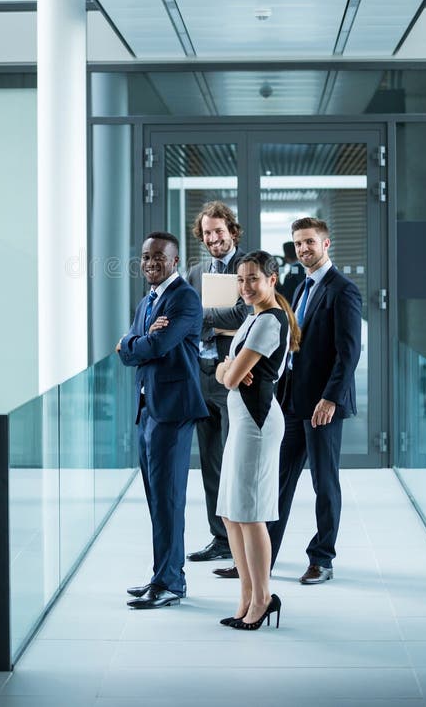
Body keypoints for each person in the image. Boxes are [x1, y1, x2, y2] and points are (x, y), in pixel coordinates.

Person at [268, 217, 362, 584]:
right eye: (298, 243)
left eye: (310, 242)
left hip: (324, 404)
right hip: (293, 400)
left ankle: (322, 558)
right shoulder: (298, 286)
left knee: (324, 483)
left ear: (326, 244)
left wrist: (330, 399)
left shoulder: (343, 290)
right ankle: (265, 556)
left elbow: (349, 353)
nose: (303, 248)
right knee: (278, 481)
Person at [117, 232, 208, 609]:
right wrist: (134, 343)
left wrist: (131, 342)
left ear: (175, 261)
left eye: (159, 257)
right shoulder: (148, 301)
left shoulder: (184, 298)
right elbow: (131, 350)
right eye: (145, 257)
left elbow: (150, 346)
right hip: (149, 410)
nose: (150, 262)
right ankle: (162, 576)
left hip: (173, 410)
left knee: (168, 499)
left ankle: (171, 582)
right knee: (157, 499)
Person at [215, 251, 299, 630]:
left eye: (253, 278)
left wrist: (228, 370)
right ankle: (247, 595)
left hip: (257, 424)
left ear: (272, 279)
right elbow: (227, 370)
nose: (245, 286)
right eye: (240, 279)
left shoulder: (269, 321)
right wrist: (227, 369)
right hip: (242, 422)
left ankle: (263, 597)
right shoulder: (252, 319)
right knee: (231, 513)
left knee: (250, 513)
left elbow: (231, 378)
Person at [185, 201, 250, 563]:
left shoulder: (247, 268)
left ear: (232, 232)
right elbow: (185, 316)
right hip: (201, 374)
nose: (214, 239)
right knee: (210, 460)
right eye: (208, 233)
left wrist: (202, 317)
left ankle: (244, 537)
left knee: (235, 460)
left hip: (234, 375)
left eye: (219, 232)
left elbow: (244, 314)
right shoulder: (195, 274)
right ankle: (221, 538)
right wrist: (212, 319)